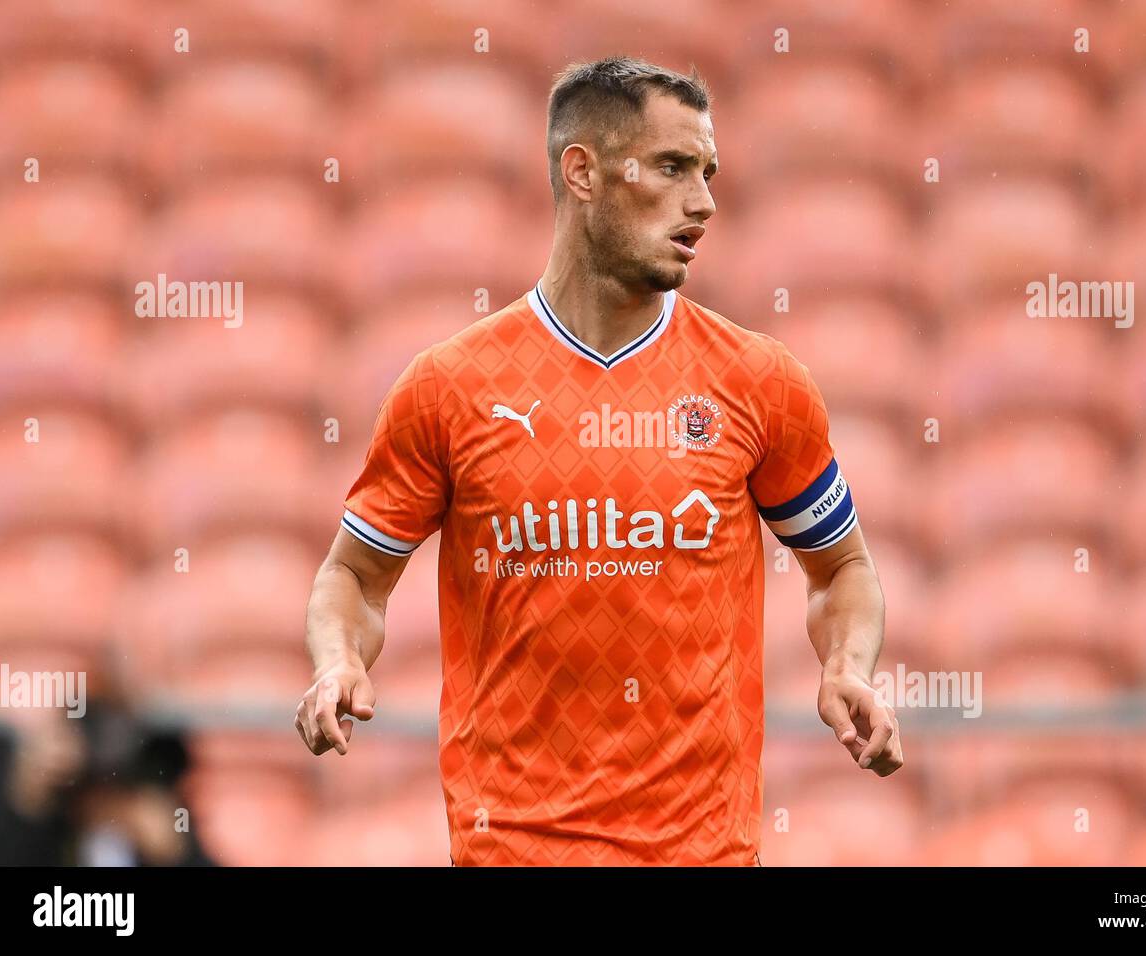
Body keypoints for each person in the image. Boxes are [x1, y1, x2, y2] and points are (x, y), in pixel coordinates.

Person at [298, 56, 901, 866]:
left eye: (709, 172)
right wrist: (337, 661)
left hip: (705, 853)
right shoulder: (449, 388)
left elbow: (842, 571)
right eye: (672, 167)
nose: (705, 202)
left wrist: (846, 665)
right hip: (510, 852)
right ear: (581, 171)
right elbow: (352, 580)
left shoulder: (759, 383)